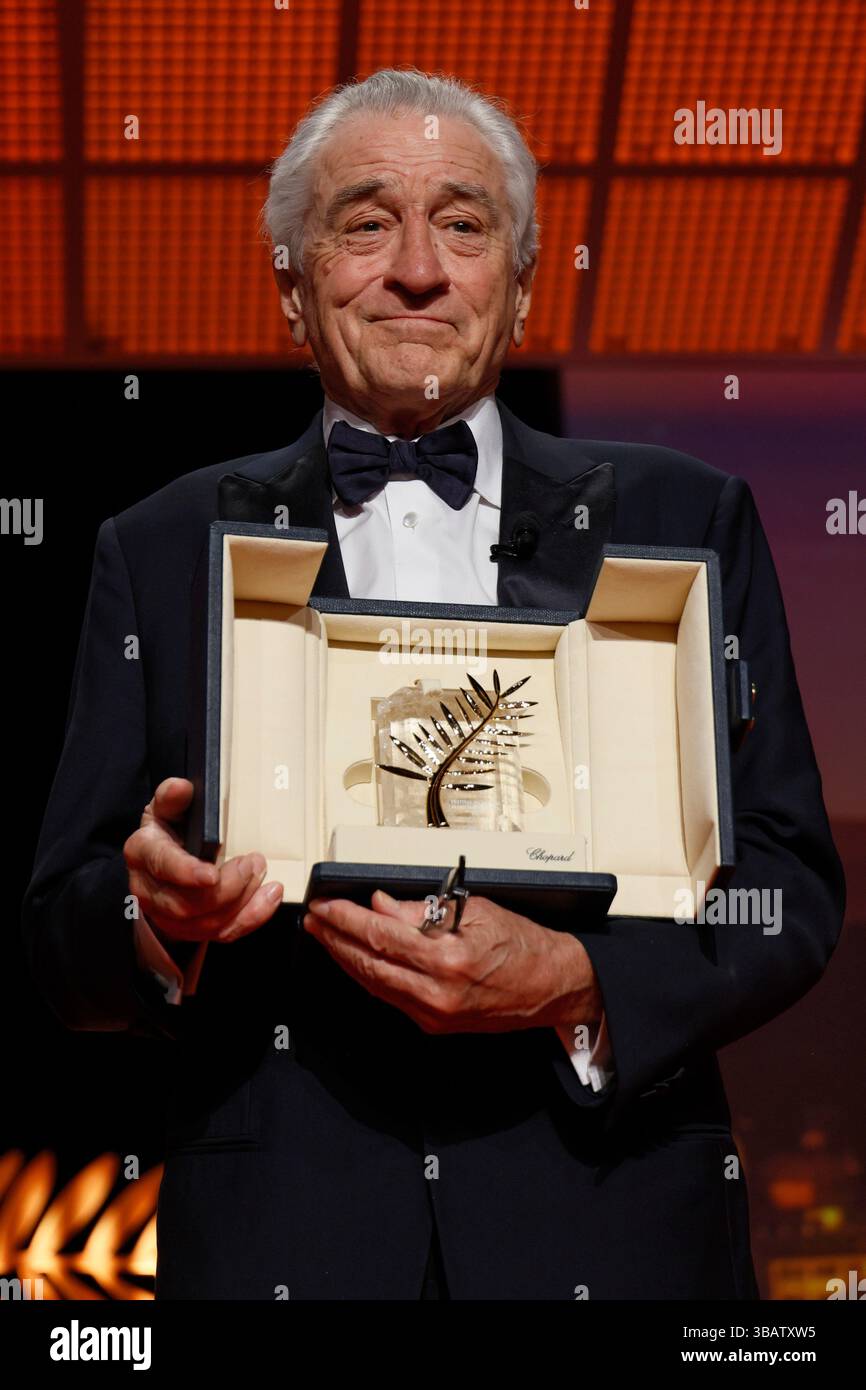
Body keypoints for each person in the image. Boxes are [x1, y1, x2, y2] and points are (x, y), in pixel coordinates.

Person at [23, 68, 844, 1300]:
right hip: (280, 1248)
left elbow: (783, 886)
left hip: (616, 1231)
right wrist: (158, 918)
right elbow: (62, 932)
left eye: (462, 223)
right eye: (365, 221)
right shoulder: (156, 545)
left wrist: (579, 984)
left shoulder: (685, 515)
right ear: (293, 290)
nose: (416, 266)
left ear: (517, 286)